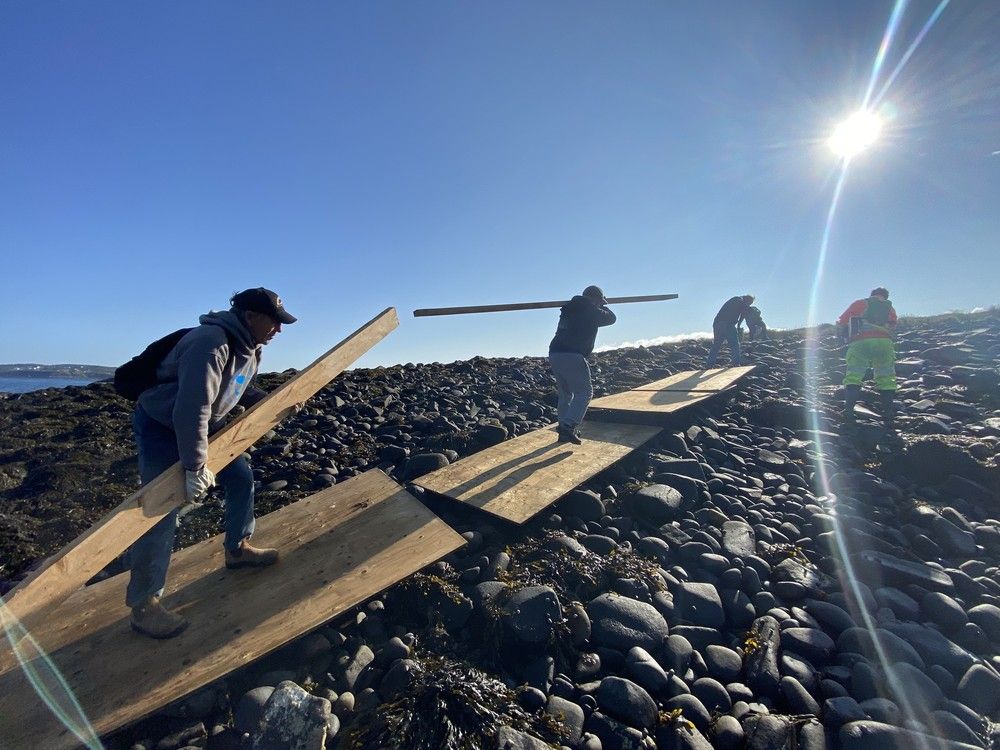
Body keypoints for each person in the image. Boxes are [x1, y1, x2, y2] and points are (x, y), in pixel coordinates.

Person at [127, 287, 296, 638]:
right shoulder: (211, 344)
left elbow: (234, 389)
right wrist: (194, 468)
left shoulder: (250, 349)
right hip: (163, 426)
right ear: (250, 316)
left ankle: (237, 549)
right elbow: (192, 408)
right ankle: (144, 606)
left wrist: (275, 402)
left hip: (202, 428)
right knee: (160, 511)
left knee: (240, 477)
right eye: (274, 321)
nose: (279, 329)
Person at [548, 286, 617, 444]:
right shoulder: (590, 310)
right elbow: (611, 318)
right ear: (595, 300)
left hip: (555, 352)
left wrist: (597, 304)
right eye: (600, 301)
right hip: (572, 354)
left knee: (565, 394)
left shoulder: (569, 308)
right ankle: (568, 426)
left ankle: (563, 429)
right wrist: (602, 306)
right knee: (584, 393)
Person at [837, 287, 897, 432]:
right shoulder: (890, 308)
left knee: (853, 376)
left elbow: (842, 322)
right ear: (885, 296)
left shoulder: (860, 303)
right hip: (884, 343)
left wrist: (840, 338)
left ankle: (849, 412)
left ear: (872, 295)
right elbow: (893, 327)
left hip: (860, 342)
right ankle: (888, 415)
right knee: (886, 378)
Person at [706, 295, 755, 367]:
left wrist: (738, 325)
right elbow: (743, 313)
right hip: (727, 324)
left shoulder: (735, 300)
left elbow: (742, 315)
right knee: (734, 344)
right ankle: (736, 363)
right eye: (749, 303)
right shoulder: (739, 300)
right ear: (747, 300)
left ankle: (709, 365)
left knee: (716, 345)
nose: (749, 305)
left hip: (717, 323)